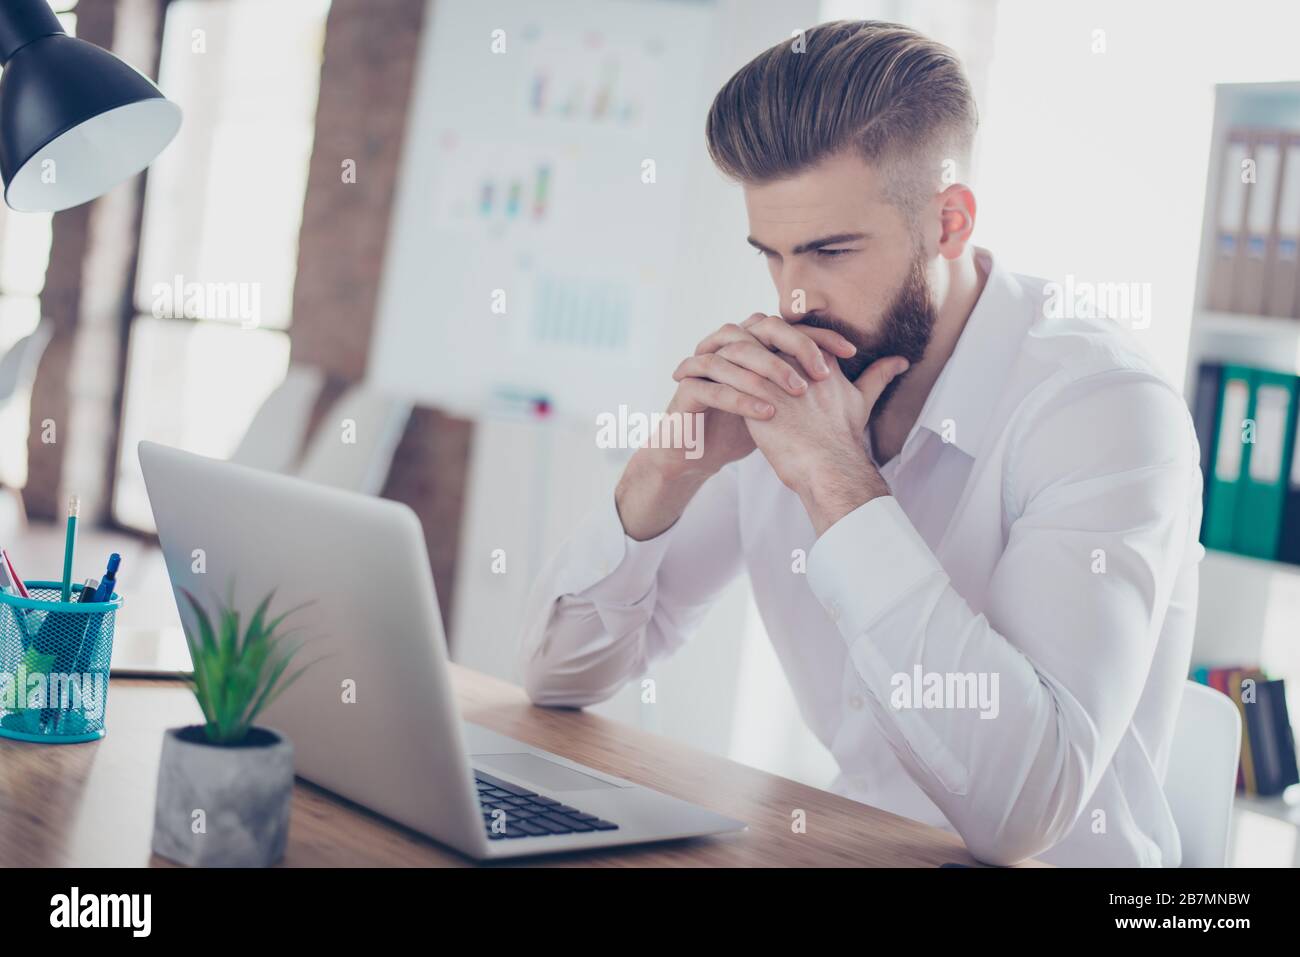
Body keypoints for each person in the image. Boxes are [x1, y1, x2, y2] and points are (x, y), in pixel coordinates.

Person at [518, 20, 1203, 867]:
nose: (796, 298)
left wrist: (838, 482)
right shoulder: (790, 386)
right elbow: (559, 678)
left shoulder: (1103, 408)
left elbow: (1024, 816)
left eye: (831, 250)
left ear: (949, 221)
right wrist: (665, 473)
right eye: (771, 255)